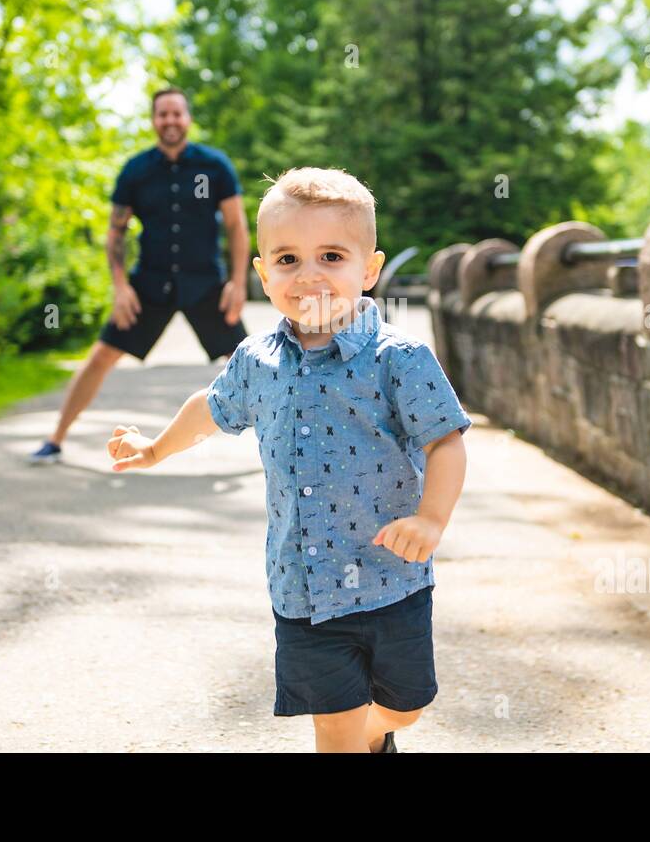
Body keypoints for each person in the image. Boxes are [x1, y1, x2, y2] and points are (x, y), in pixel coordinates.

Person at [106, 167, 470, 753]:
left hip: (392, 582)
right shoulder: (258, 360)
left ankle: (380, 734)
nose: (309, 276)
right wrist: (155, 449)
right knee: (336, 726)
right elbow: (211, 408)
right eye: (287, 259)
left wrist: (431, 519)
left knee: (404, 709)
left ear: (369, 270)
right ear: (261, 272)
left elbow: (445, 440)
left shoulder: (398, 359)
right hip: (303, 589)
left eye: (331, 256)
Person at [29, 87, 250, 464]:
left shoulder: (215, 167)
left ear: (188, 118)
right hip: (149, 284)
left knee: (249, 365)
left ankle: (286, 450)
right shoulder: (136, 170)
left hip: (205, 285)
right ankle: (55, 438)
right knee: (100, 356)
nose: (170, 121)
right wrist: (120, 288)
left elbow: (236, 226)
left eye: (176, 113)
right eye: (162, 114)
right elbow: (115, 233)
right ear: (153, 121)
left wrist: (238, 282)